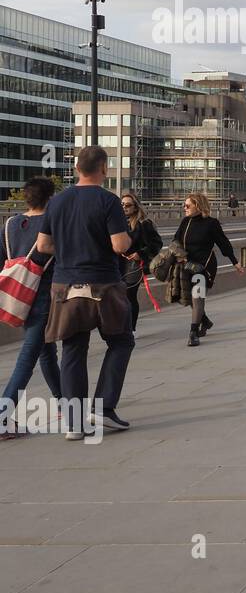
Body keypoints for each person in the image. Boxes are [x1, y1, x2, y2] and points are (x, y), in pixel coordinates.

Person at [35, 146, 135, 437]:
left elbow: (43, 246)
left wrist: (69, 250)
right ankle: (103, 409)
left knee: (73, 349)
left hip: (65, 286)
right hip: (103, 283)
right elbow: (119, 245)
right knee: (121, 341)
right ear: (103, 168)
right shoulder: (108, 200)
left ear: (78, 168)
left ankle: (74, 424)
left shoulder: (57, 202)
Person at [1, 176, 60, 438]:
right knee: (28, 357)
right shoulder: (51, 224)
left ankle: (65, 401)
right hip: (43, 295)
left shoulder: (10, 223)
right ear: (50, 198)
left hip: (19, 294)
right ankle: (2, 417)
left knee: (46, 350)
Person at [174, 192, 246, 346]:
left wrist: (235, 262)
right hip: (186, 266)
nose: (184, 208)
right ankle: (204, 321)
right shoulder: (185, 222)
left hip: (203, 267)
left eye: (187, 205)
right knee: (189, 298)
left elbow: (223, 243)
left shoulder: (211, 223)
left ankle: (193, 332)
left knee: (197, 296)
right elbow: (176, 241)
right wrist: (180, 256)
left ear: (198, 206)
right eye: (184, 205)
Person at [120, 192, 162, 334]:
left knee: (129, 294)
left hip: (135, 265)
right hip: (119, 263)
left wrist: (141, 253)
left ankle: (130, 328)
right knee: (120, 295)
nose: (124, 207)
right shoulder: (119, 223)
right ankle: (123, 326)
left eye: (128, 205)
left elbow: (157, 243)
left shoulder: (144, 224)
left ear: (136, 207)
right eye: (122, 204)